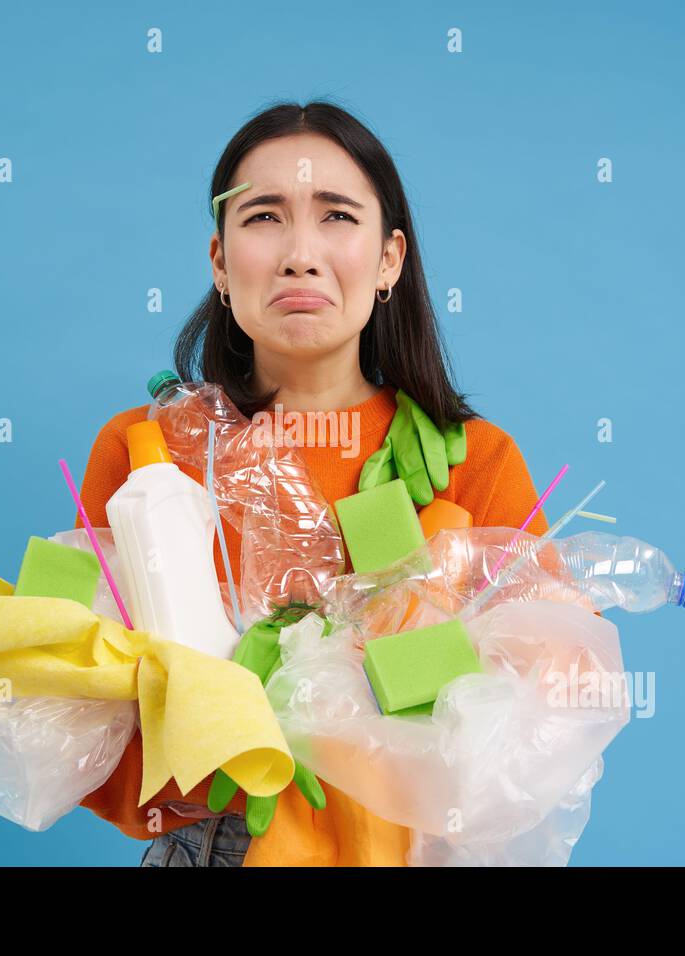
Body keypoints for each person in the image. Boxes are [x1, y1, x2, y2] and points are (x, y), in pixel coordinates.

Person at [75, 100, 548, 867]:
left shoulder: (474, 461)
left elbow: (538, 715)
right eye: (264, 217)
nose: (300, 253)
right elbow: (82, 708)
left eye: (336, 216)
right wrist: (220, 756)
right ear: (221, 262)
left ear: (390, 258)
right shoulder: (151, 449)